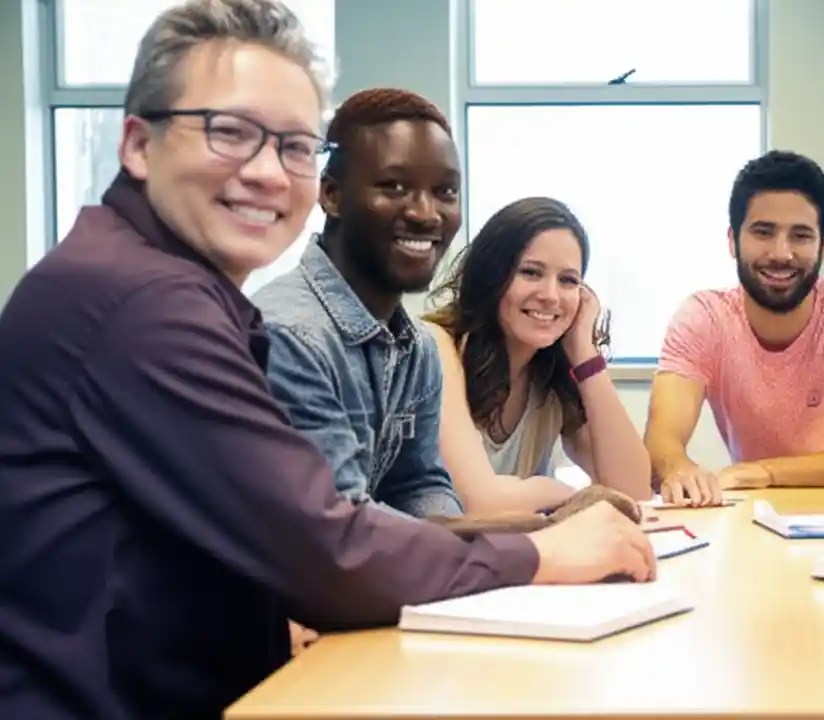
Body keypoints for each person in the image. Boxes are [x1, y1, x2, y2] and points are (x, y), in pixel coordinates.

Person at [0, 3, 654, 718]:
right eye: (229, 133)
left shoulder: (166, 285)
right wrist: (543, 553)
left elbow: (379, 510)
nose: (267, 174)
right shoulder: (144, 305)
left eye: (294, 147)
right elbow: (326, 548)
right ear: (136, 144)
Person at [645, 150, 824, 506]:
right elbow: (660, 442)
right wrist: (678, 468)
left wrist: (763, 471)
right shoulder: (704, 317)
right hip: (751, 512)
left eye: (800, 236)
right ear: (732, 240)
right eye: (763, 232)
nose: (781, 253)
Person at [254, 87, 465, 518]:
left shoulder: (417, 348)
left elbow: (417, 483)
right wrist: (528, 546)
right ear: (331, 195)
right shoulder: (288, 337)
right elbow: (338, 524)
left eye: (445, 192)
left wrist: (479, 545)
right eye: (394, 186)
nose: (426, 213)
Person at [422, 197, 653, 514]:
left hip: (520, 556)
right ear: (492, 275)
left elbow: (635, 490)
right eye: (531, 273)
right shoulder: (436, 346)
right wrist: (569, 493)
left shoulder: (553, 371)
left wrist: (584, 353)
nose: (550, 296)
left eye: (568, 280)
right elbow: (480, 504)